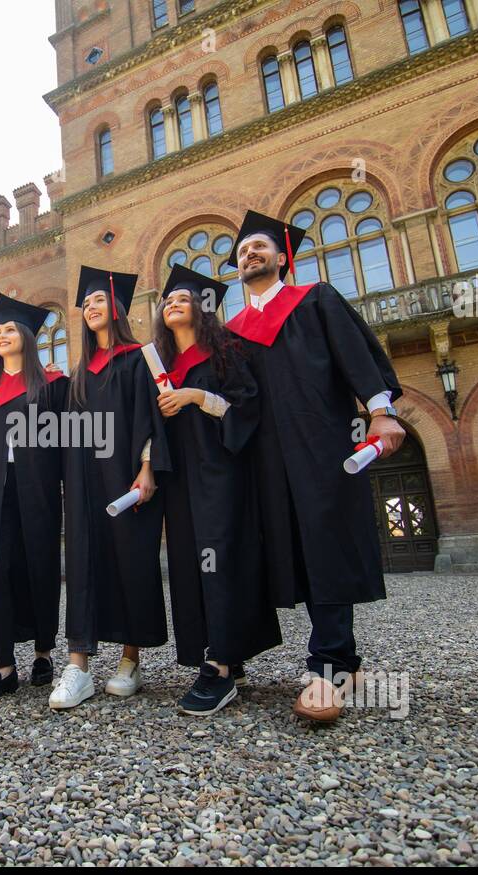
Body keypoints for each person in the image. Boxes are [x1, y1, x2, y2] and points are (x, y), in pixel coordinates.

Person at [224, 209, 405, 722]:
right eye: (242, 251)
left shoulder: (316, 299)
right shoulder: (235, 330)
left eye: (259, 247)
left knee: (325, 544)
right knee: (290, 549)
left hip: (323, 444)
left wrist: (381, 413)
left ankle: (328, 667)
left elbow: (356, 358)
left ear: (283, 257)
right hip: (265, 456)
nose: (249, 254)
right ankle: (342, 661)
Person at [151, 264, 280, 716]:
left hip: (221, 471)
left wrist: (194, 397)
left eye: (183, 299)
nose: (173, 304)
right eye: (168, 301)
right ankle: (220, 651)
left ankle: (221, 667)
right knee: (191, 561)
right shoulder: (162, 366)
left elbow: (245, 409)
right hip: (181, 476)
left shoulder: (224, 350)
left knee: (222, 556)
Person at [50, 266, 171, 710]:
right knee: (81, 561)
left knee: (130, 559)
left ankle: (129, 660)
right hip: (85, 482)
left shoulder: (141, 356)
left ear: (117, 308)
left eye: (101, 300)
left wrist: (147, 468)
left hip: (126, 475)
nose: (92, 308)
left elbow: (154, 415)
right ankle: (78, 665)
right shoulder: (81, 372)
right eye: (87, 304)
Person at [0, 294, 69, 702]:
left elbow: (69, 443)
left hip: (39, 488)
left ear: (28, 337)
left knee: (40, 564)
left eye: (11, 330)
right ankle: (4, 663)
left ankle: (44, 652)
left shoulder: (53, 384)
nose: (2, 336)